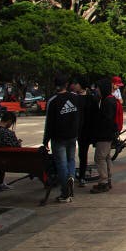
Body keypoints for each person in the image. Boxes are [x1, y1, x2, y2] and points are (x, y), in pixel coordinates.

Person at [42, 74, 81, 203]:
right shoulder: (75, 98)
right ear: (66, 84)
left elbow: (49, 122)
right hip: (72, 135)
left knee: (61, 164)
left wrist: (45, 139)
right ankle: (71, 177)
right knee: (71, 160)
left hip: (58, 137)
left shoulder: (53, 101)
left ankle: (65, 192)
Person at [90, 78, 118, 194]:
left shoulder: (107, 101)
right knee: (106, 157)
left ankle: (104, 181)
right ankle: (107, 179)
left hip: (104, 135)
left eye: (98, 88)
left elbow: (106, 119)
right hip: (108, 134)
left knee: (100, 158)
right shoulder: (109, 100)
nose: (97, 90)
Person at [0, 112, 22, 191]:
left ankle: (0, 183)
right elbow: (17, 148)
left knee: (0, 157)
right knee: (2, 158)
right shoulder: (8, 133)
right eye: (12, 123)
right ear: (9, 121)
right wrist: (18, 143)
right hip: (7, 161)